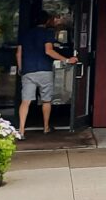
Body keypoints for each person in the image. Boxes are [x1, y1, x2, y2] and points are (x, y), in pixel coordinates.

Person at [15, 11, 76, 140]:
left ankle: (21, 130)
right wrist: (66, 59)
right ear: (47, 21)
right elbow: (49, 51)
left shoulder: (25, 34)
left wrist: (21, 68)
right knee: (46, 100)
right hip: (44, 69)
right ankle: (46, 127)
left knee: (25, 101)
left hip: (28, 70)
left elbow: (18, 53)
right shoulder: (47, 33)